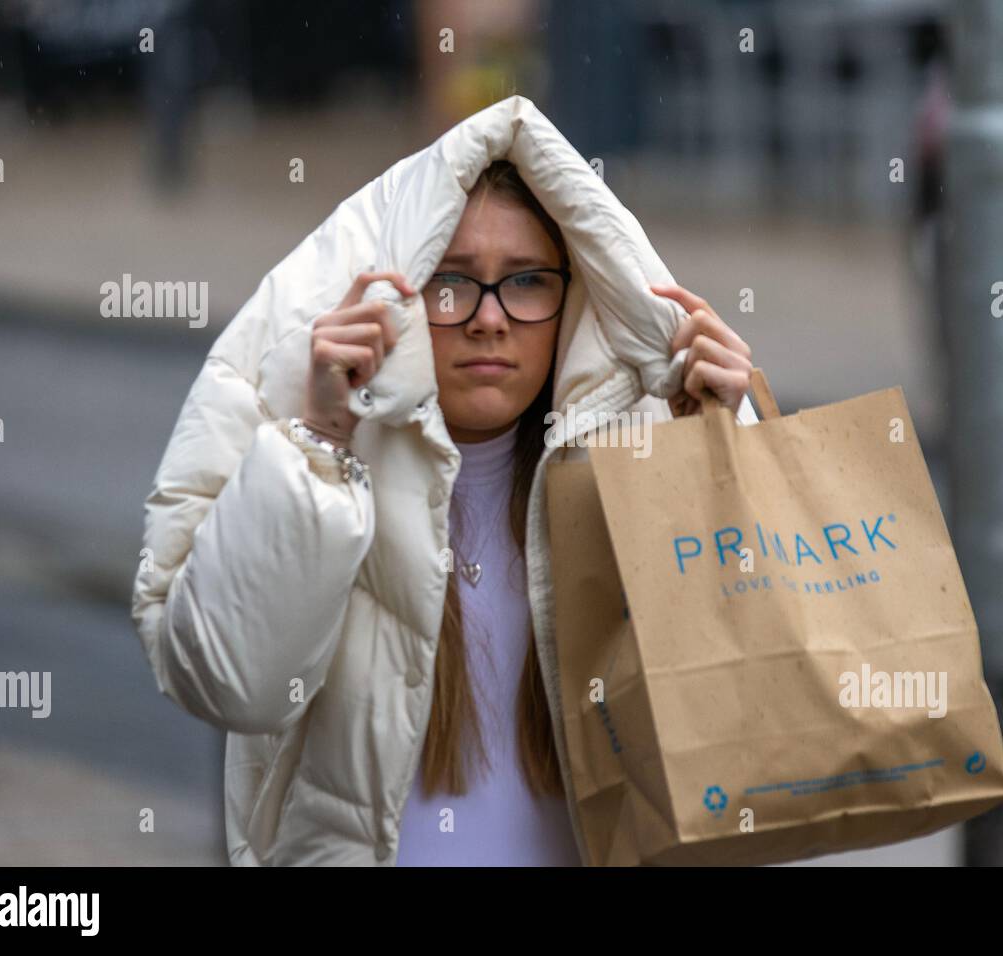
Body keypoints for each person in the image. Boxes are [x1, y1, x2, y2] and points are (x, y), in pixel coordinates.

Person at [131, 98, 756, 866]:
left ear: (575, 298)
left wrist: (716, 459)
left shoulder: (638, 455)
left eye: (526, 282)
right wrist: (319, 442)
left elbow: (746, 732)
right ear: (397, 296)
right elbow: (231, 683)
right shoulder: (315, 450)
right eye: (452, 283)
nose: (489, 320)